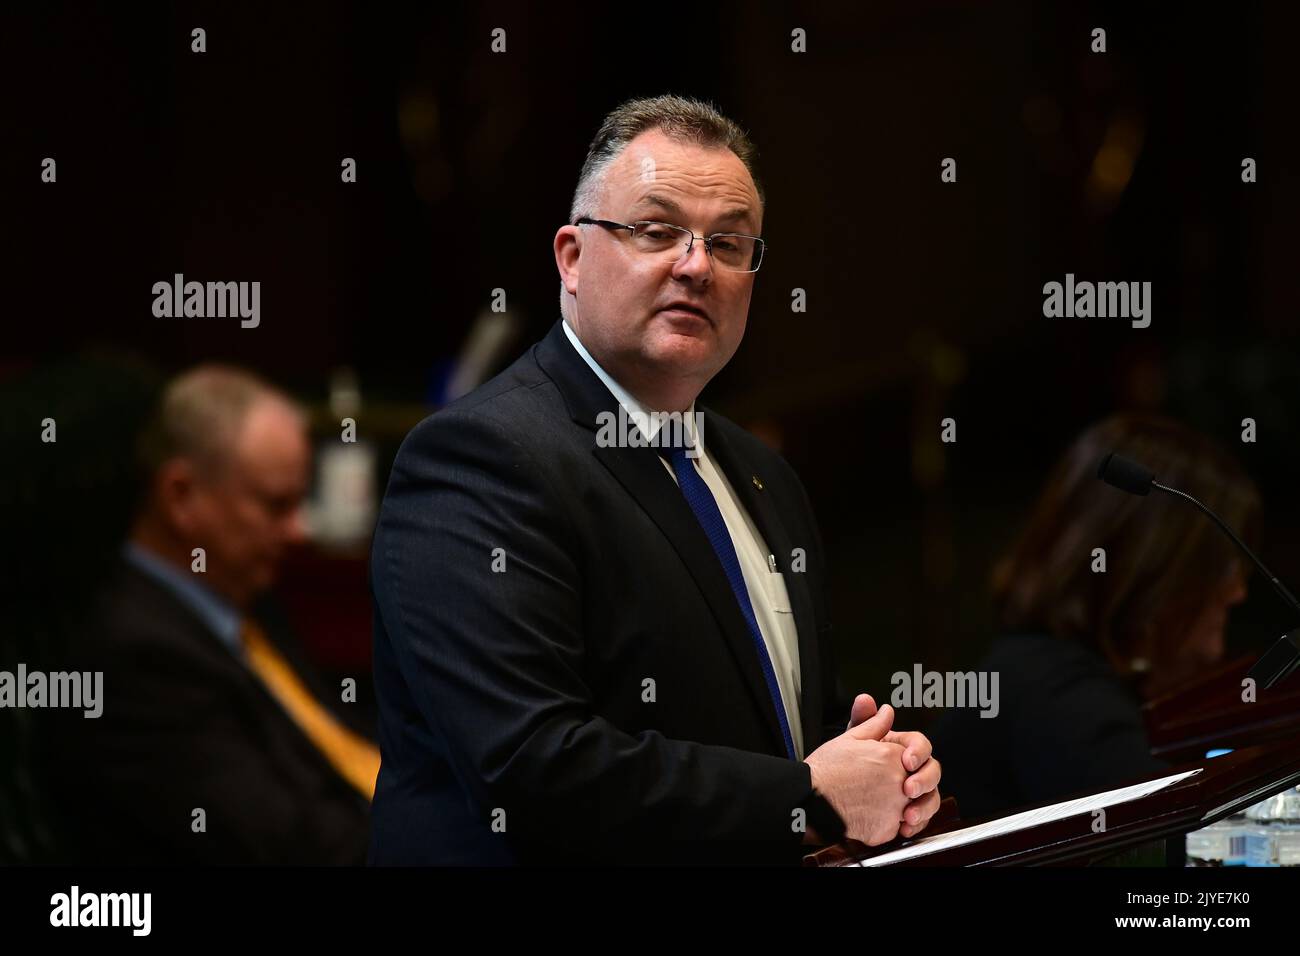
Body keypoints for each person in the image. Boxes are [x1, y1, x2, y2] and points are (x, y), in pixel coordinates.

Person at [368, 94, 941, 865]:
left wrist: (881, 768)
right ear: (572, 258)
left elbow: (776, 732)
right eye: (656, 230)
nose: (697, 264)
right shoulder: (479, 457)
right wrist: (807, 798)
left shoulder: (764, 474)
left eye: (731, 243)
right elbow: (532, 767)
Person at [39, 365, 376, 864]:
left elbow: (334, 741)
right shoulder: (135, 660)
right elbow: (291, 848)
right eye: (276, 505)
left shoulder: (240, 594)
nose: (298, 530)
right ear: (181, 496)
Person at [933, 413, 1259, 821]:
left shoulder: (1044, 668)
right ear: (1155, 567)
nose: (1238, 591)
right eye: (1225, 564)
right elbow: (1185, 847)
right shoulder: (1062, 700)